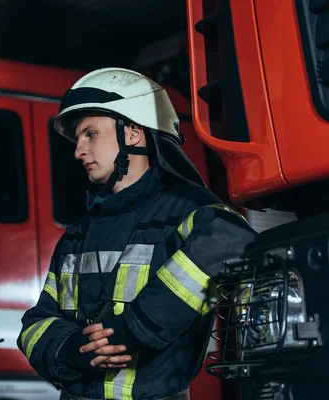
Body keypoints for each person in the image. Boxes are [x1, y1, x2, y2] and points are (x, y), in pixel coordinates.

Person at [17, 68, 256, 399]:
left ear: (131, 132)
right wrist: (72, 348)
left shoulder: (187, 210)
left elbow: (233, 240)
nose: (78, 151)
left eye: (90, 134)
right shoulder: (78, 232)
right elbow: (35, 327)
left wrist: (132, 330)